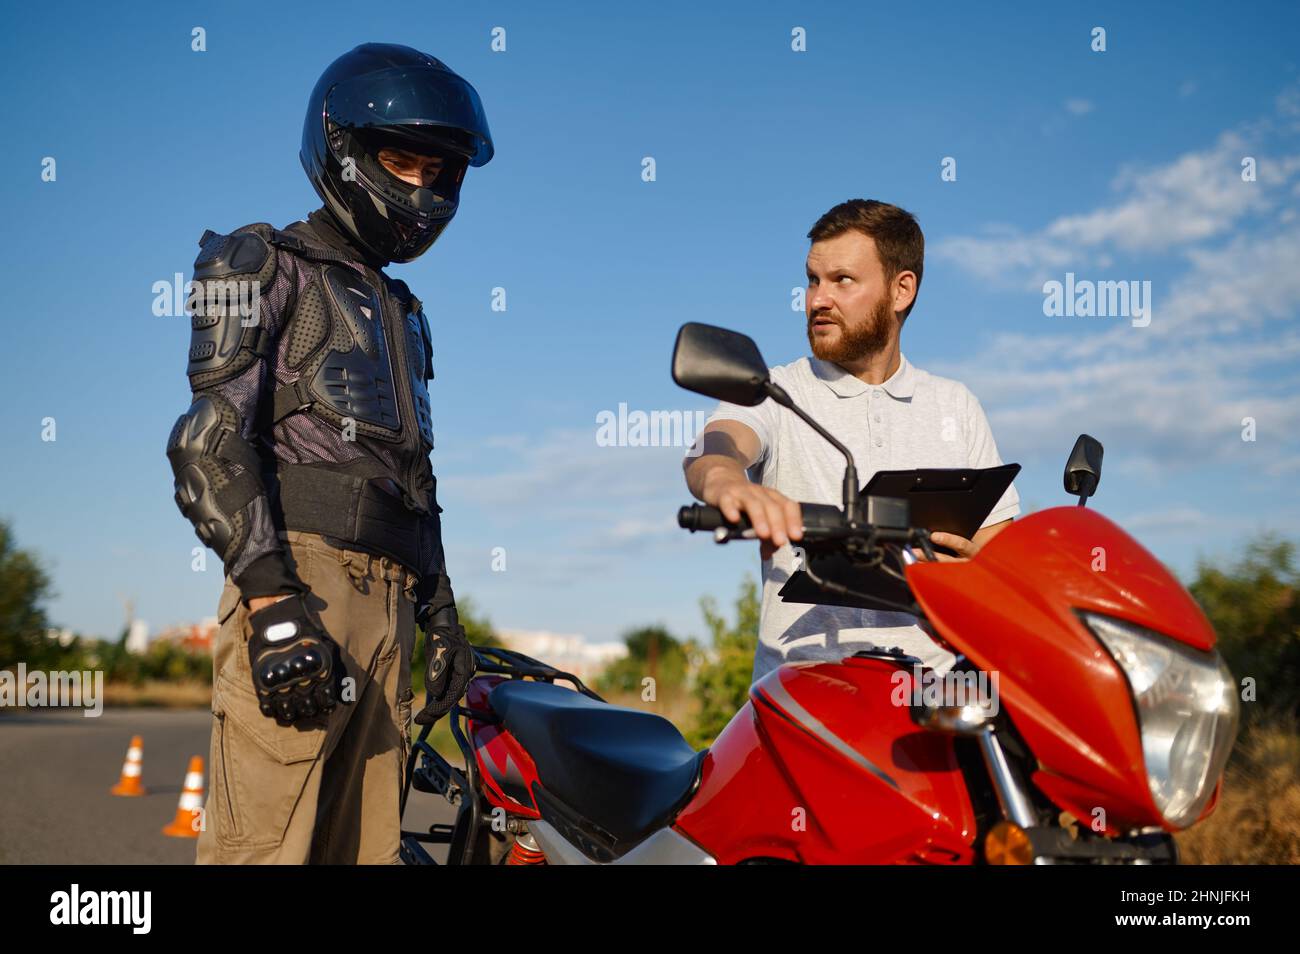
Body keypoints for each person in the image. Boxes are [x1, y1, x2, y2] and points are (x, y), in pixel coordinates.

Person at [165, 43, 492, 864]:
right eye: (401, 161)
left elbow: (415, 478)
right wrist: (272, 606)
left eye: (436, 171)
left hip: (392, 604)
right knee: (269, 849)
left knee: (368, 852)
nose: (419, 187)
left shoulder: (403, 310)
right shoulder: (263, 262)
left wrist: (441, 616)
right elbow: (207, 444)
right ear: (343, 151)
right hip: (301, 580)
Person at [682, 199, 1021, 684]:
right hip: (805, 694)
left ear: (902, 290)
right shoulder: (777, 391)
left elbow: (1001, 556)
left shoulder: (955, 404)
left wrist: (974, 575)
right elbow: (716, 446)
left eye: (842, 280)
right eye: (813, 280)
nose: (817, 299)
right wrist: (726, 483)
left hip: (937, 699)